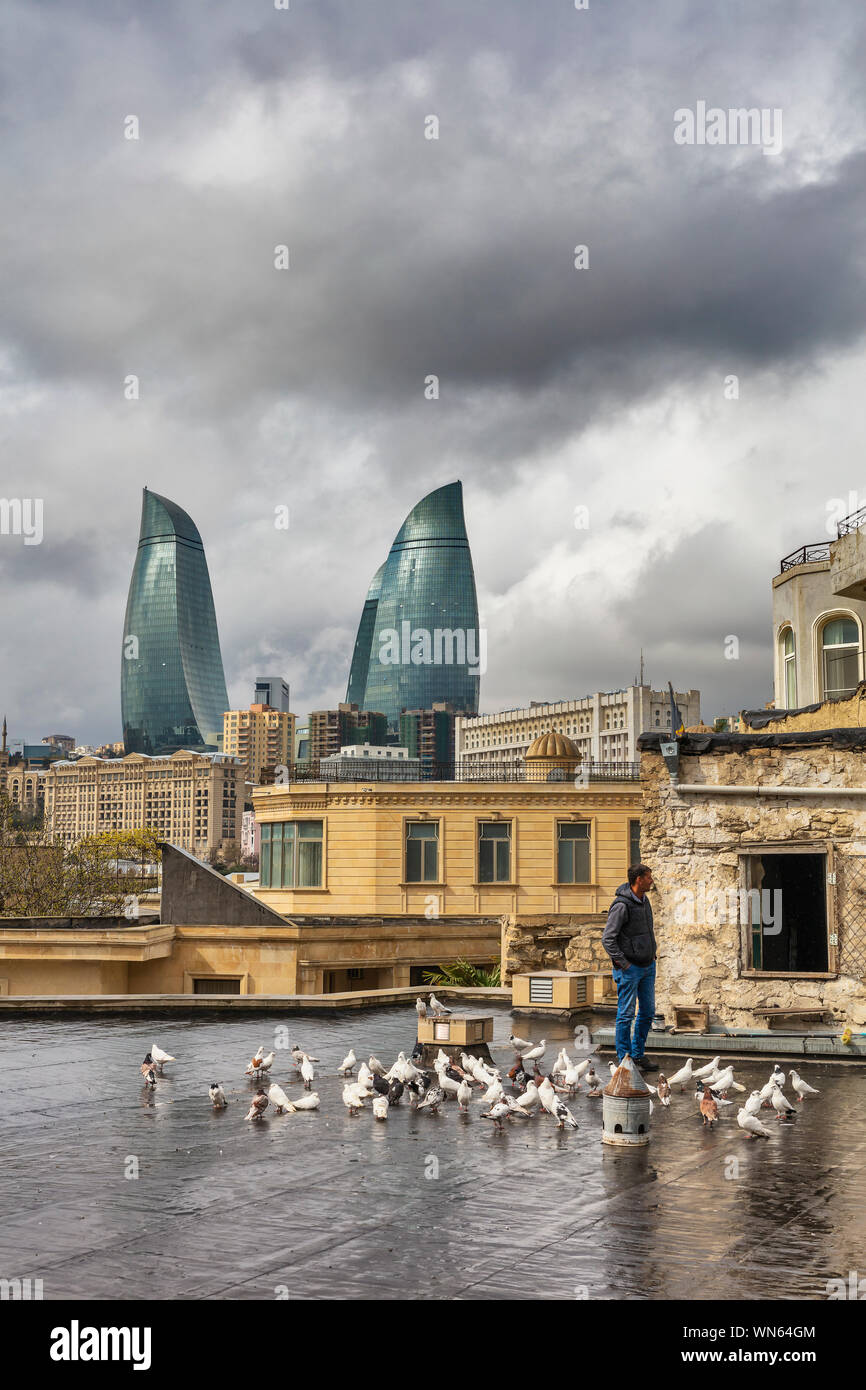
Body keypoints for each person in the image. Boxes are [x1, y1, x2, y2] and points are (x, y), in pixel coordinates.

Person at [602, 863, 658, 1070]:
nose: (651, 881)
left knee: (648, 1012)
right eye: (648, 877)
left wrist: (652, 956)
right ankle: (625, 1061)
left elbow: (647, 932)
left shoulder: (645, 901)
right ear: (638, 880)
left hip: (647, 966)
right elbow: (608, 939)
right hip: (629, 969)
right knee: (626, 1015)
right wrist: (623, 964)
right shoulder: (621, 905)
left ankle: (638, 1055)